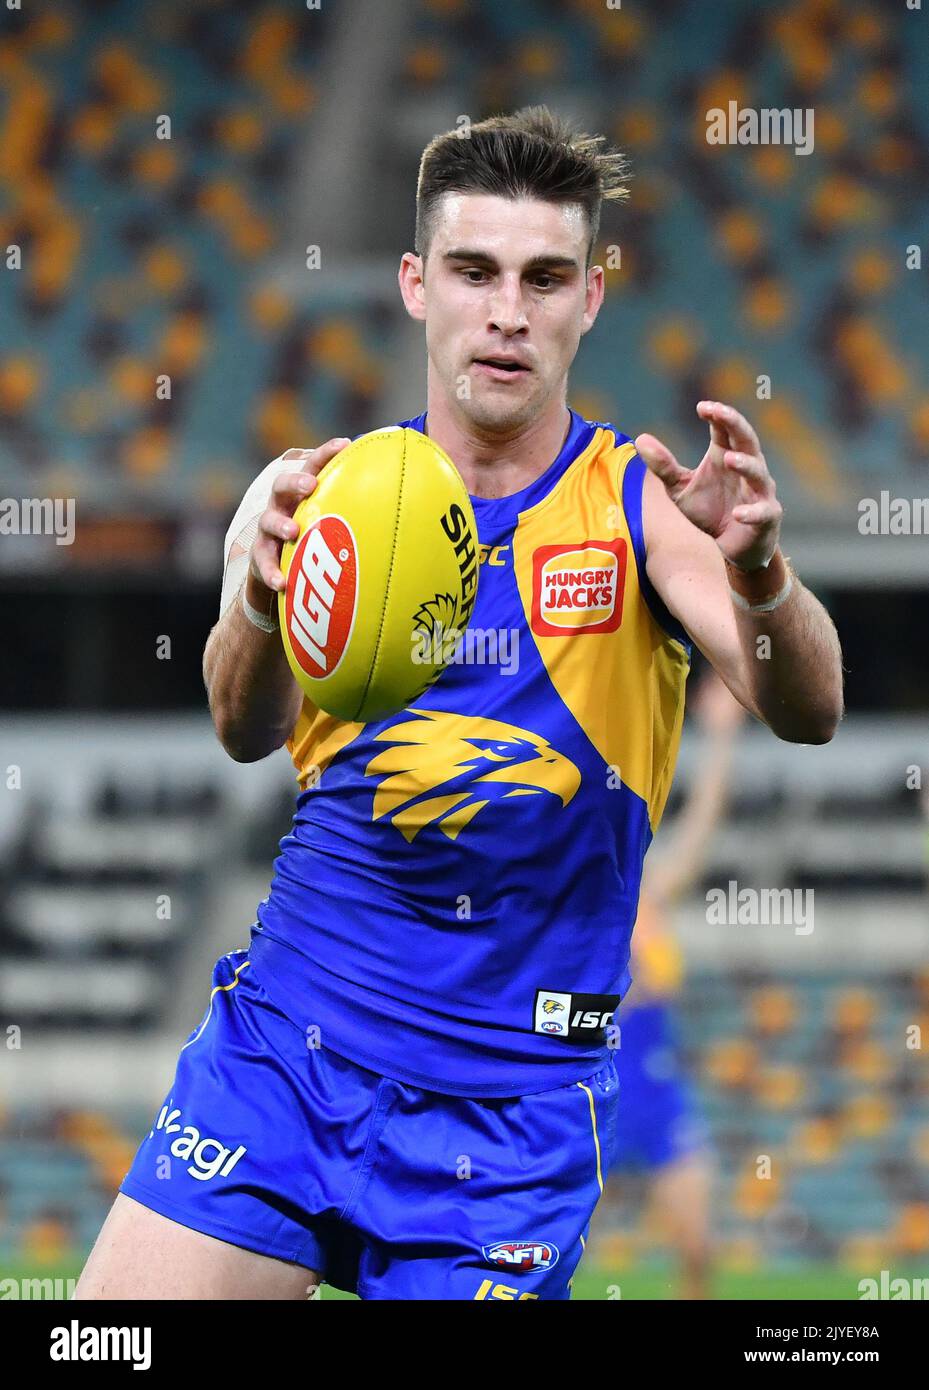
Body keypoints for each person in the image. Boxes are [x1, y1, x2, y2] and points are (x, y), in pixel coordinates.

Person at [76, 106, 842, 1301]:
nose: (506, 310)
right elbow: (240, 727)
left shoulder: (633, 503)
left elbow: (809, 705)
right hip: (290, 1044)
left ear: (590, 298)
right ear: (414, 284)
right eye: (474, 271)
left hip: (515, 1108)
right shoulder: (325, 492)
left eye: (544, 278)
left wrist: (759, 571)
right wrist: (255, 603)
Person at [600, 672, 745, 1299]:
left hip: (655, 1083)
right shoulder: (575, 899)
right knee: (537, 1251)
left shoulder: (648, 889)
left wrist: (719, 739)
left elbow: (703, 822)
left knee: (697, 1250)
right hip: (589, 1081)